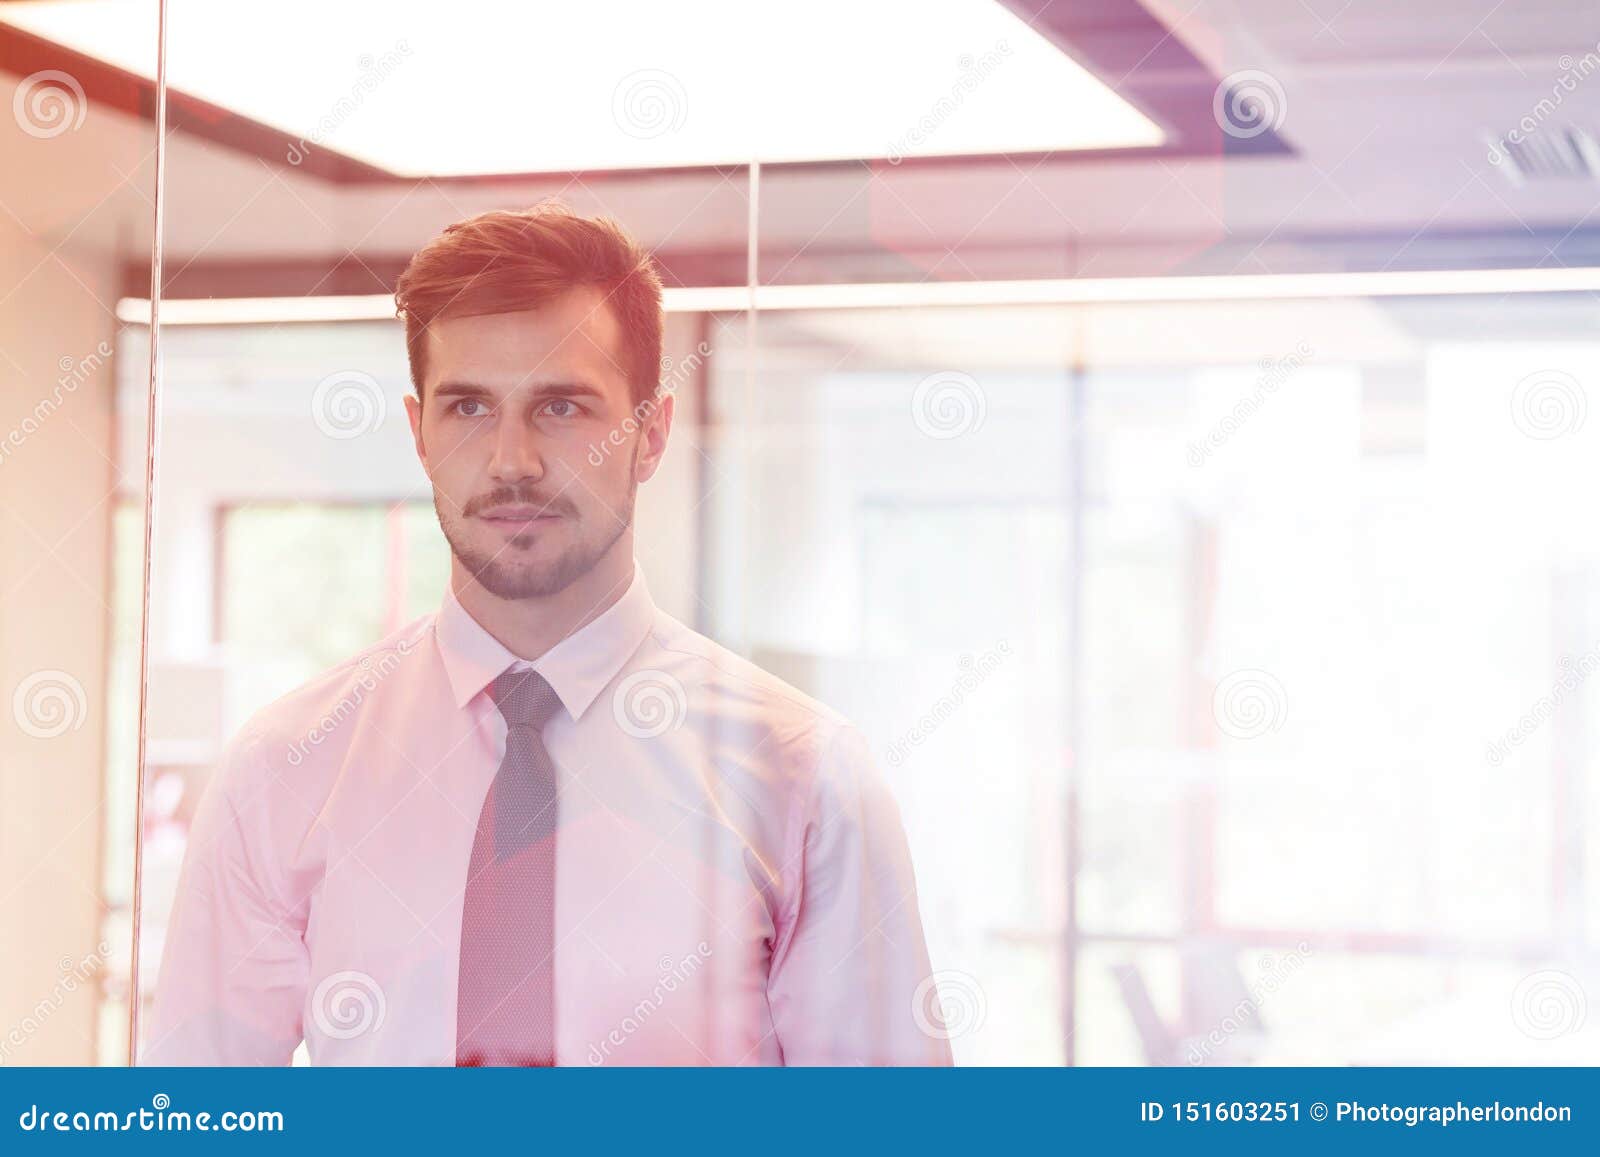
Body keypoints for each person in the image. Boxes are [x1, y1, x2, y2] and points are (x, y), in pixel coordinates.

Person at [143, 203, 950, 1066]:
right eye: (469, 408)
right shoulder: (286, 767)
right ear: (419, 434)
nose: (512, 460)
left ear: (651, 433)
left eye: (561, 406)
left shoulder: (806, 777)